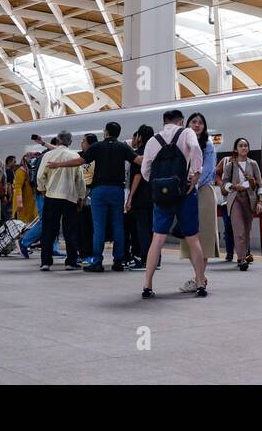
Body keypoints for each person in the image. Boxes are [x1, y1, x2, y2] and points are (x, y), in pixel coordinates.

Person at [140, 110, 209, 298]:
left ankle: (147, 286)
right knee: (193, 239)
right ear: (181, 121)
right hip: (186, 192)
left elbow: (146, 170)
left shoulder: (153, 140)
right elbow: (195, 148)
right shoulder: (186, 132)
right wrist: (195, 173)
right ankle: (200, 283)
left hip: (162, 195)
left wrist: (158, 184)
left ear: (164, 122)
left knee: (157, 240)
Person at [79, 121, 139, 271]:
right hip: (117, 190)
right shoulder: (123, 147)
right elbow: (138, 160)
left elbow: (80, 161)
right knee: (118, 226)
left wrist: (59, 164)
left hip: (99, 191)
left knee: (98, 228)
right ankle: (118, 261)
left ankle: (97, 262)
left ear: (105, 132)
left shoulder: (97, 146)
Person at [34, 131, 87, 271]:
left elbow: (40, 176)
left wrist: (43, 189)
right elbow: (80, 180)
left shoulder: (48, 155)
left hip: (51, 197)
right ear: (70, 142)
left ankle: (45, 262)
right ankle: (70, 262)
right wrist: (81, 197)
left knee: (48, 230)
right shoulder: (74, 156)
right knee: (70, 231)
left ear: (57, 140)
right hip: (70, 198)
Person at [179, 112, 219, 263]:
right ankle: (198, 277)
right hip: (187, 191)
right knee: (189, 235)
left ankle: (200, 278)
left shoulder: (207, 145)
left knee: (204, 236)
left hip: (204, 192)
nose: (197, 125)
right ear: (187, 124)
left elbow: (208, 170)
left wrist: (192, 184)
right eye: (193, 122)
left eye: (200, 122)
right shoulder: (183, 144)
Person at [220, 137, 262, 270]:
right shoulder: (230, 165)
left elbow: (260, 183)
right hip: (235, 200)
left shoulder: (253, 164)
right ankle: (241, 259)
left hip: (250, 199)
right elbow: (224, 183)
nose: (244, 148)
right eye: (241, 145)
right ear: (235, 149)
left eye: (246, 145)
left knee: (246, 230)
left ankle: (243, 254)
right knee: (239, 230)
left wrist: (260, 201)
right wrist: (234, 187)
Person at [125, 124, 156, 269]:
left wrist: (130, 197)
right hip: (154, 196)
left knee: (142, 229)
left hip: (141, 197)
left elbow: (137, 176)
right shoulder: (155, 153)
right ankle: (156, 259)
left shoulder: (138, 154)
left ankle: (145, 259)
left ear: (140, 137)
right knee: (153, 229)